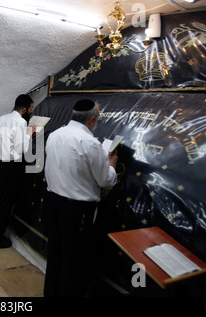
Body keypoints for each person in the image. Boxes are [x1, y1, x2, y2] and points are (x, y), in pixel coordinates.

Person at [43, 99, 118, 297]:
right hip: (77, 211)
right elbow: (105, 180)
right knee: (74, 260)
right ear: (92, 120)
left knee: (56, 255)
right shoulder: (90, 143)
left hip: (54, 204)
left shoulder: (55, 134)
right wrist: (111, 164)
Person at [0, 94, 36, 249]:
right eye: (31, 109)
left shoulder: (0, 119)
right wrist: (29, 134)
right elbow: (21, 148)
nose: (31, 112)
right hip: (11, 166)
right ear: (25, 109)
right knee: (4, 202)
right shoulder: (20, 122)